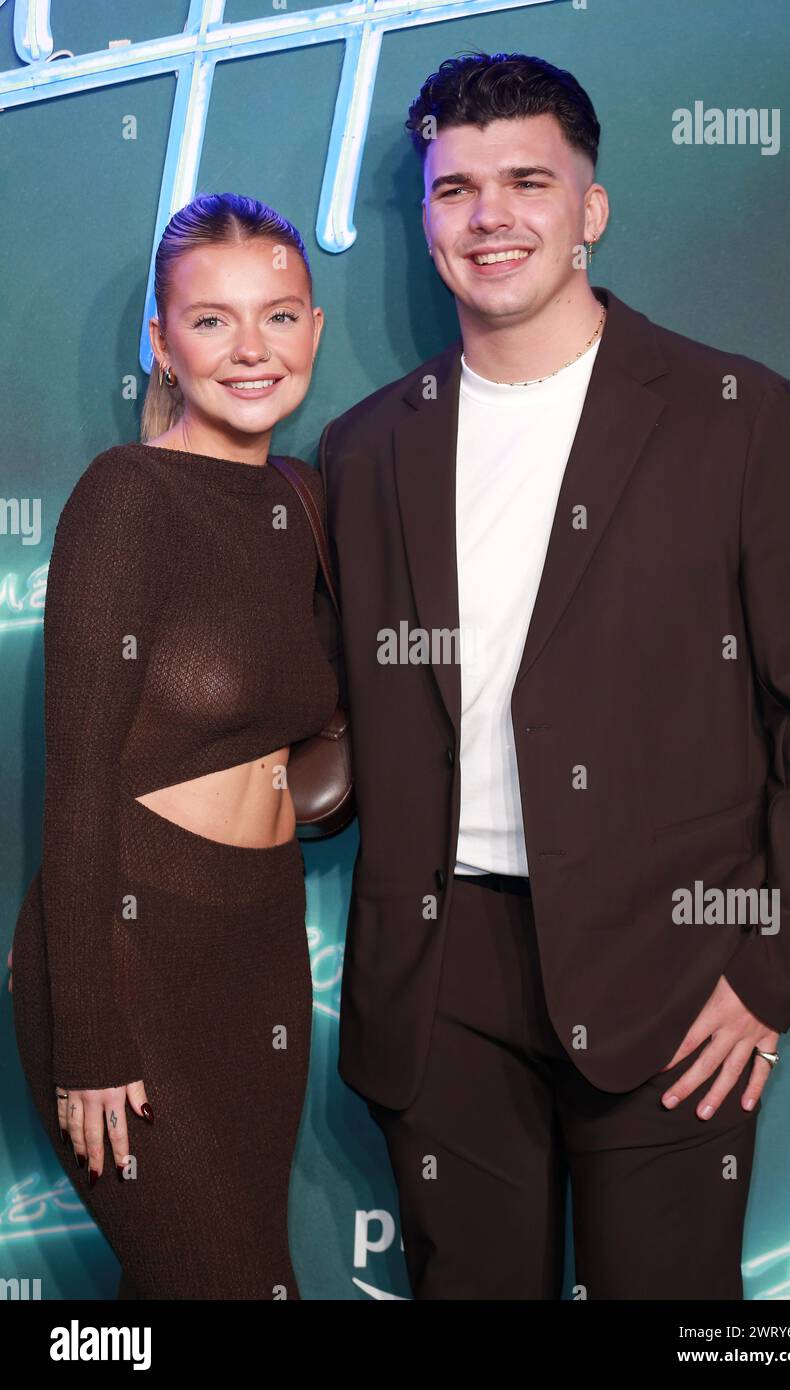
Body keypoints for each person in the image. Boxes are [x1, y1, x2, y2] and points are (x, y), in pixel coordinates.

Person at [317, 54, 790, 1299]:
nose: (489, 216)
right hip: (440, 983)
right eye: (455, 189)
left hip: (672, 977)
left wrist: (766, 971)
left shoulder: (739, 416)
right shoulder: (365, 448)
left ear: (590, 209)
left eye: (526, 181)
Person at [12, 192, 342, 1299]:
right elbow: (78, 779)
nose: (252, 349)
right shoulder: (127, 495)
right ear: (161, 341)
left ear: (315, 328)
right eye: (211, 321)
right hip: (129, 957)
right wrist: (91, 1038)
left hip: (258, 951)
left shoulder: (300, 501)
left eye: (279, 316)